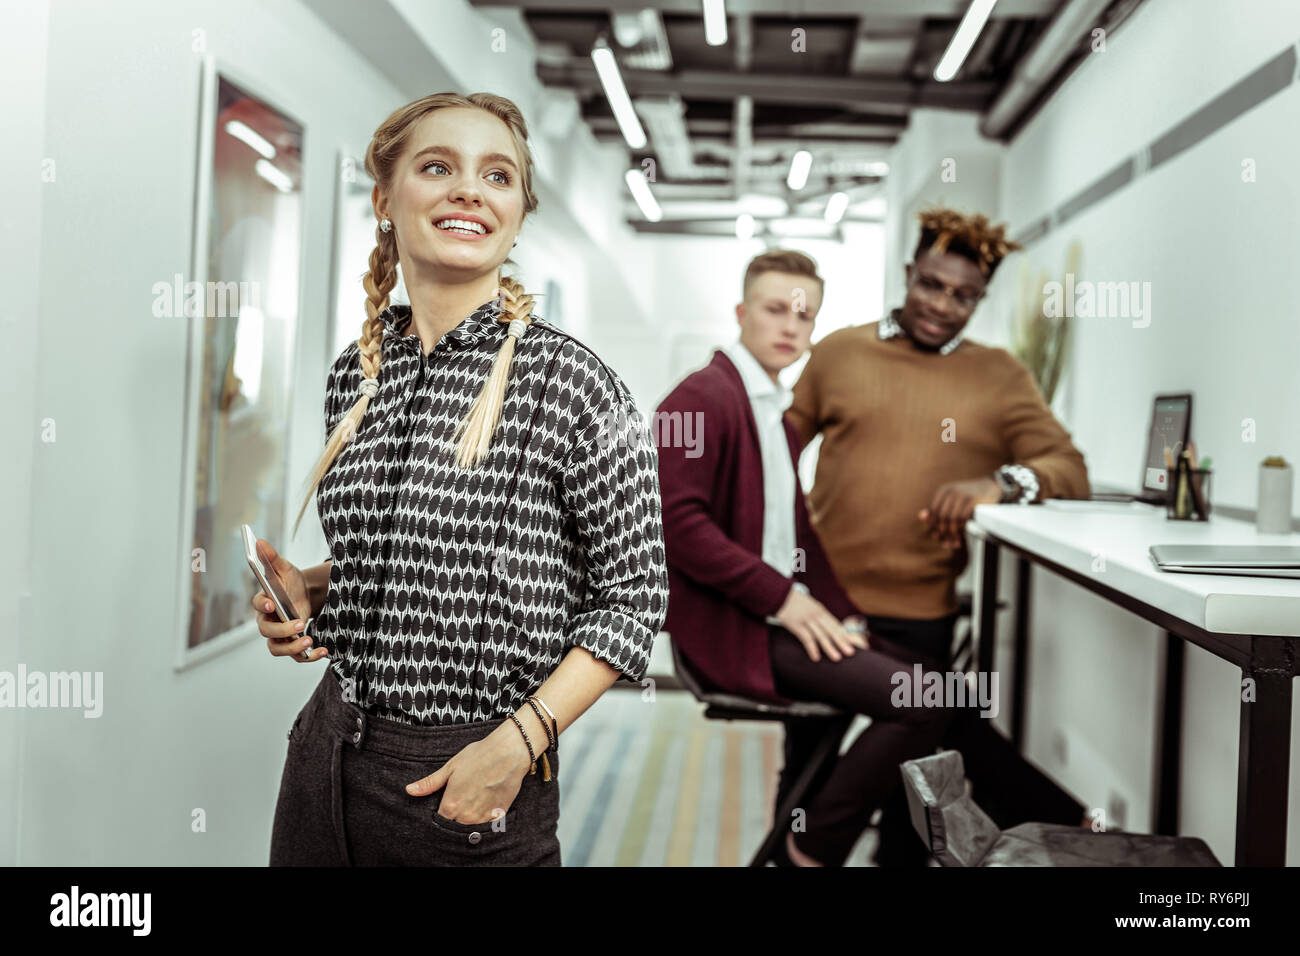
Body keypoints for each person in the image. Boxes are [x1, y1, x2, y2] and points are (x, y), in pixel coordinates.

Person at [251, 91, 667, 866]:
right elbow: (418, 556)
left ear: (516, 214)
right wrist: (310, 588)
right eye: (437, 166)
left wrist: (514, 747)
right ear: (384, 198)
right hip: (325, 754)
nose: (469, 189)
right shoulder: (358, 375)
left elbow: (636, 595)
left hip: (468, 777)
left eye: (497, 176)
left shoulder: (571, 384)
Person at [785, 206, 1091, 866]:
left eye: (963, 296)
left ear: (979, 299)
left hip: (920, 615)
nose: (943, 306)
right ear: (907, 274)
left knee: (916, 786)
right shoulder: (839, 351)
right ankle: (798, 853)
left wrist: (999, 483)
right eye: (931, 285)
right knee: (807, 770)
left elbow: (1070, 469)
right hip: (821, 607)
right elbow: (775, 456)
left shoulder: (1001, 376)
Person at [656, 249, 954, 868]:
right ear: (741, 312)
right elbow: (677, 526)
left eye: (805, 315)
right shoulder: (699, 398)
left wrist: (844, 614)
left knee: (930, 683)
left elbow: (801, 537)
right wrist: (782, 599)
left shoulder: (775, 415)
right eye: (774, 309)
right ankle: (811, 851)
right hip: (736, 630)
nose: (791, 327)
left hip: (774, 618)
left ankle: (799, 839)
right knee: (926, 699)